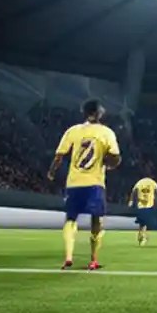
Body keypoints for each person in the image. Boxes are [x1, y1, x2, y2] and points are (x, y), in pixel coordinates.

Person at [46, 99, 121, 270]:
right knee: (96, 220)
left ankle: (68, 256)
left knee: (70, 218)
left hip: (74, 182)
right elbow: (116, 157)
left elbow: (59, 156)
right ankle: (93, 259)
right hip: (95, 183)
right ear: (99, 113)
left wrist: (51, 172)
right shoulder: (106, 132)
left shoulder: (73, 131)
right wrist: (109, 164)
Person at [128, 175, 157, 246]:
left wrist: (131, 201)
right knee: (145, 223)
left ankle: (141, 236)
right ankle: (143, 236)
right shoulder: (153, 183)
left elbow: (133, 191)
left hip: (141, 206)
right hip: (149, 206)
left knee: (142, 223)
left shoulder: (139, 183)